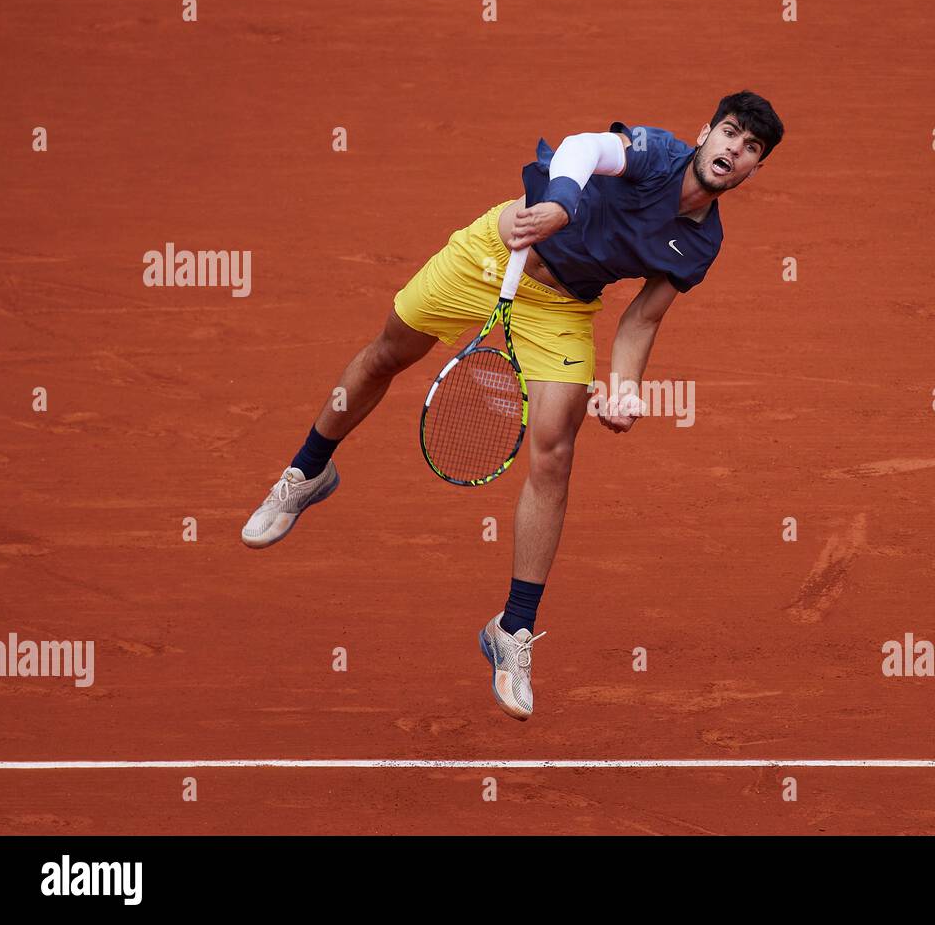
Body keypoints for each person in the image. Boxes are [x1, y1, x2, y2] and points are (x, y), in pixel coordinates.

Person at [241, 90, 785, 720]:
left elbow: (640, 319)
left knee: (555, 447)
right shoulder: (657, 153)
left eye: (751, 148)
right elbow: (583, 148)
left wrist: (626, 385)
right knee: (387, 354)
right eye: (730, 133)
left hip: (561, 309)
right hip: (493, 255)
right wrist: (559, 203)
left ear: (755, 169)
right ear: (705, 133)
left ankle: (513, 630)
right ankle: (309, 471)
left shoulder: (701, 245)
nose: (734, 150)